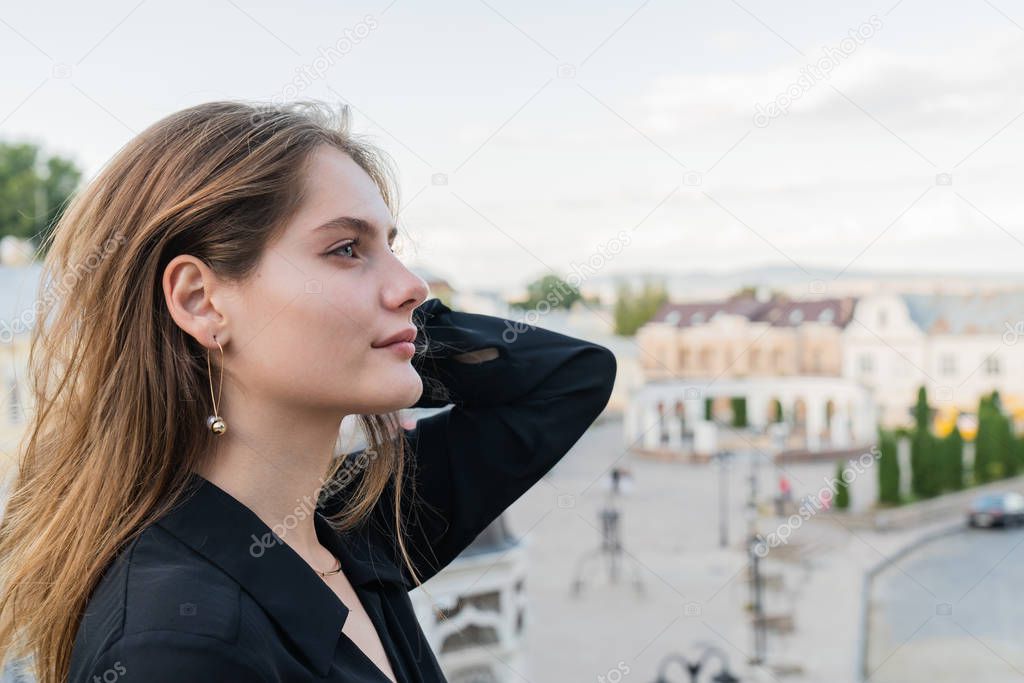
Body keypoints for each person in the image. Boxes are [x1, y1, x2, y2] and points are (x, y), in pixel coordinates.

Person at [0, 101, 617, 683]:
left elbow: (569, 378)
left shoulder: (348, 530)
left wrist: (395, 333)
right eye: (346, 249)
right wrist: (384, 335)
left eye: (391, 247)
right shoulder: (177, 643)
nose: (413, 285)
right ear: (200, 301)